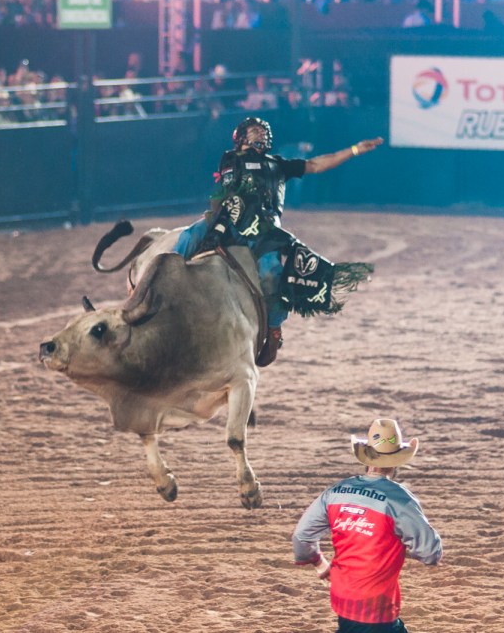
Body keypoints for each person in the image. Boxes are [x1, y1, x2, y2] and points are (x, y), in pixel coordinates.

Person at [175, 117, 383, 366]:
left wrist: (354, 150)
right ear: (240, 137)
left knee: (272, 275)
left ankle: (273, 332)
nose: (260, 135)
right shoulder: (231, 159)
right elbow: (229, 195)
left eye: (263, 132)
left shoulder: (279, 165)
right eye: (254, 131)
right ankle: (165, 282)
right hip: (228, 218)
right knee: (188, 237)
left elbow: (316, 164)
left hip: (264, 231)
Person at [292, 418, 442, 633]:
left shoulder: (335, 492)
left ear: (366, 456)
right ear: (397, 460)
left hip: (343, 597)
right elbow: (430, 552)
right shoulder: (400, 500)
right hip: (376, 604)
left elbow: (301, 536)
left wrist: (319, 562)